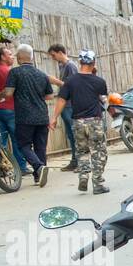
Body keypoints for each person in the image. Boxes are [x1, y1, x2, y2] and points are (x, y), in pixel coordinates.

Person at [51, 50, 109, 195]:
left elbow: (62, 100)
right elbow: (105, 101)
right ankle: (98, 184)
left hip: (78, 122)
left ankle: (83, 177)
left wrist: (53, 118)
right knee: (98, 152)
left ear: (80, 63)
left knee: (82, 151)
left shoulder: (70, 81)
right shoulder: (99, 81)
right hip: (95, 122)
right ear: (93, 63)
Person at [0, 44, 53, 186]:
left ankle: (39, 167)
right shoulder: (42, 74)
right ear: (31, 57)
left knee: (23, 145)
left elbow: (9, 93)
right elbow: (49, 96)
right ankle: (38, 176)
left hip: (25, 116)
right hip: (42, 115)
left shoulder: (15, 72)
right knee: (40, 146)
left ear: (18, 57)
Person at [0, 44, 26, 175]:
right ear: (2, 57)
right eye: (9, 55)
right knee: (17, 139)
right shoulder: (10, 71)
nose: (12, 57)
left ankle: (2, 167)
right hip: (11, 108)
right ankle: (21, 167)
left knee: (0, 141)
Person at [47, 44, 79, 171]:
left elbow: (72, 86)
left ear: (60, 52)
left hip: (70, 104)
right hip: (66, 104)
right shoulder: (62, 66)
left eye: (54, 55)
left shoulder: (70, 66)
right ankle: (75, 160)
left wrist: (55, 81)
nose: (53, 58)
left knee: (75, 134)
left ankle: (79, 161)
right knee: (71, 135)